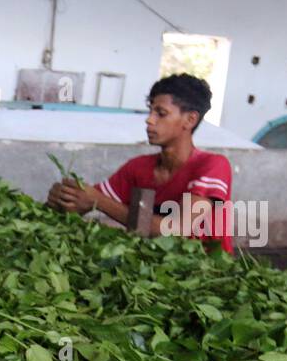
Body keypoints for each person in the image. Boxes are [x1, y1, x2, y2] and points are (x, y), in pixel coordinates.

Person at [46, 74, 234, 253]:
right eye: (150, 111)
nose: (149, 120)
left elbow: (177, 230)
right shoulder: (138, 168)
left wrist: (98, 201)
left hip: (208, 273)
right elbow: (85, 201)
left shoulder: (213, 165)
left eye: (161, 113)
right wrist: (65, 197)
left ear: (190, 119)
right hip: (157, 270)